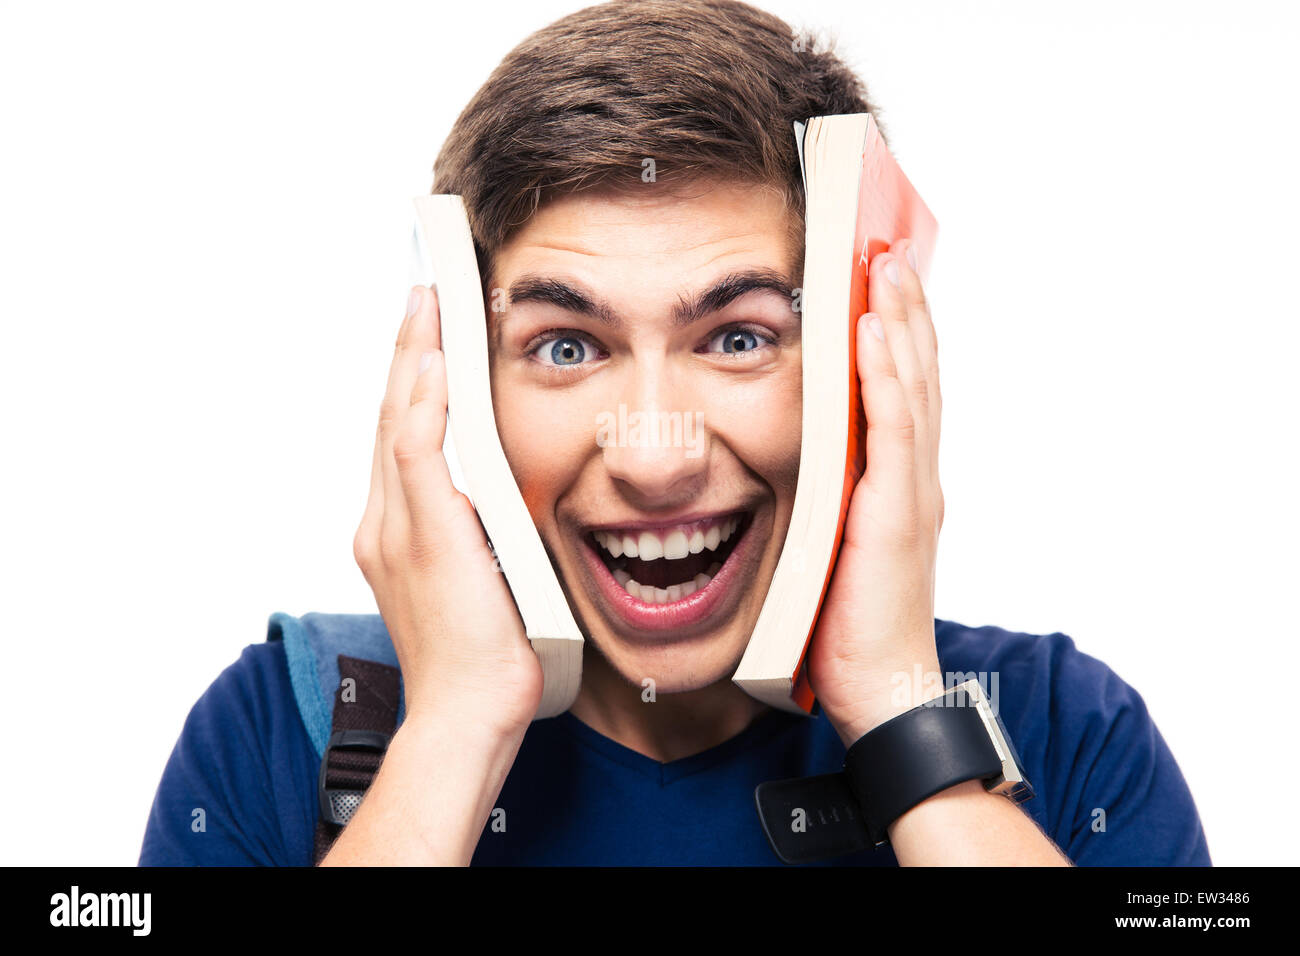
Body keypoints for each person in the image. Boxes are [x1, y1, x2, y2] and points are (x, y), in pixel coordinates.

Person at [138, 0, 1211, 866]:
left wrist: (895, 709)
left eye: (739, 336)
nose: (655, 456)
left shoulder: (1066, 731)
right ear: (455, 376)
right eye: (566, 345)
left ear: (866, 355)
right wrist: (455, 725)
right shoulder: (280, 731)